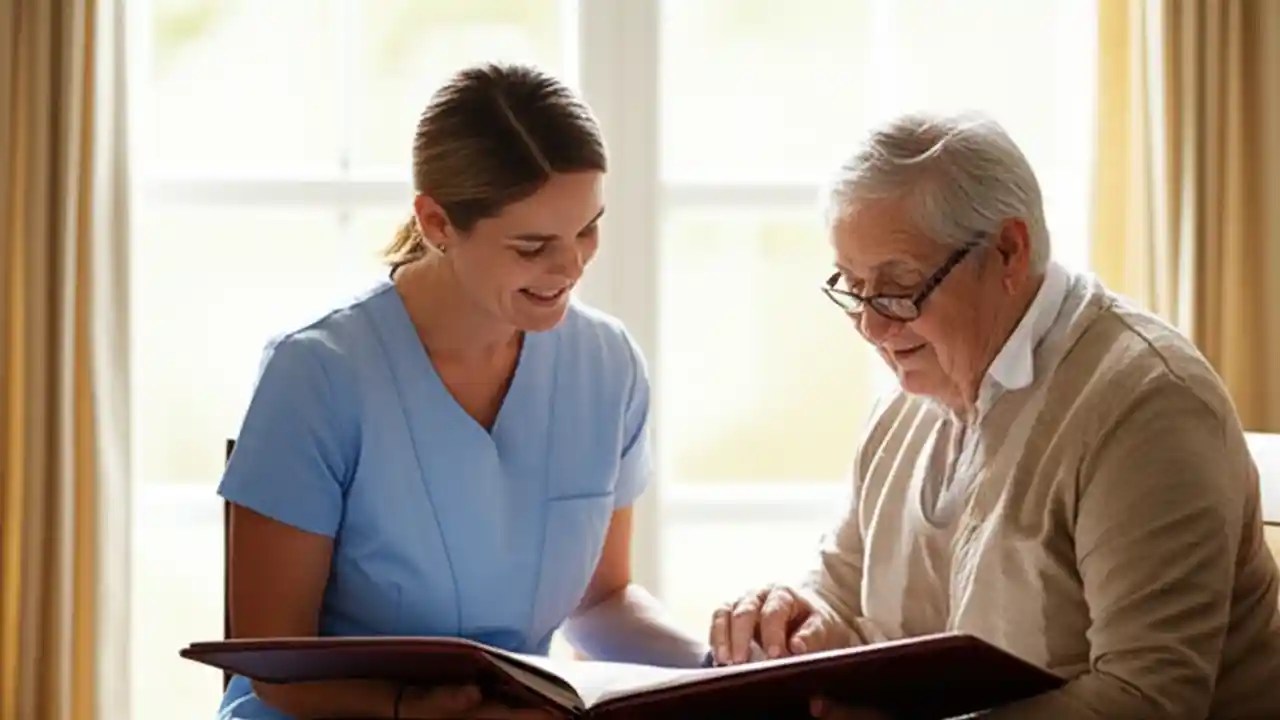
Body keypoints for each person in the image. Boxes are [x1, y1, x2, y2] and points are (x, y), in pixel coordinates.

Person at [710, 112, 1280, 719]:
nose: (873, 327)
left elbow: (1148, 700)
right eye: (853, 287)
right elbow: (844, 599)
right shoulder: (905, 398)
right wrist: (798, 622)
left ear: (1009, 251)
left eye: (899, 285)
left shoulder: (1148, 406)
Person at [217, 63, 705, 720]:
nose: (571, 267)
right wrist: (417, 711)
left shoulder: (607, 364)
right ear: (437, 222)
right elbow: (272, 666)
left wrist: (720, 668)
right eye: (533, 246)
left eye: (587, 228)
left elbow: (599, 604)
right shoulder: (318, 374)